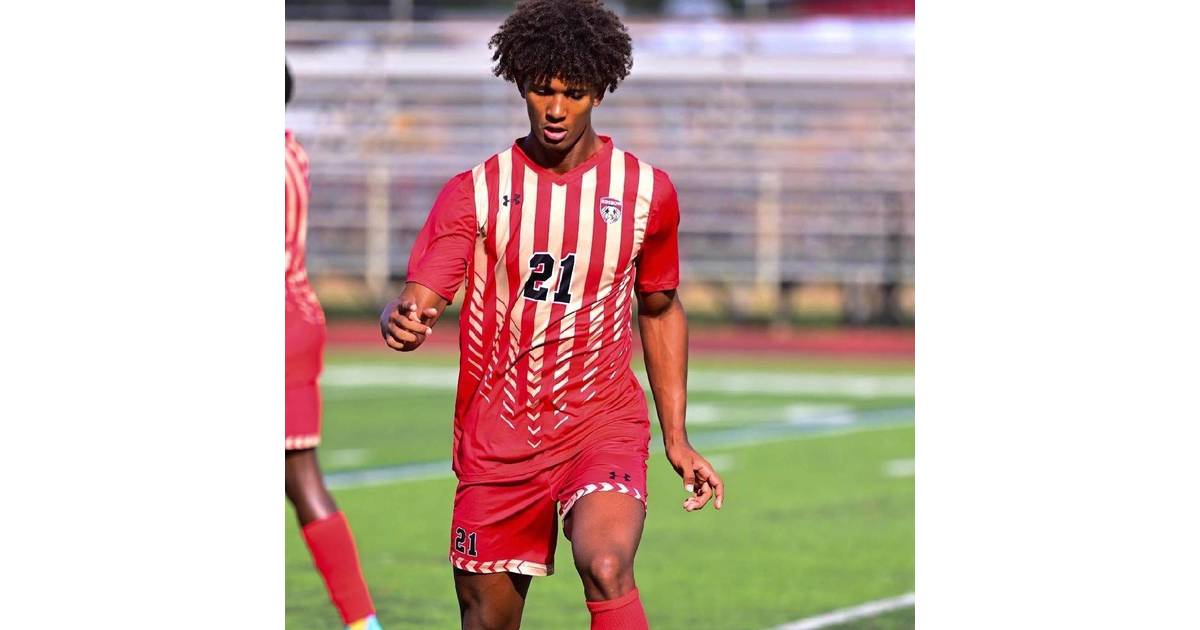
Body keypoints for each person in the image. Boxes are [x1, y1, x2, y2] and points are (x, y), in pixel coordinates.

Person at [379, 3, 724, 628]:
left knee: (607, 565)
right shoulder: (475, 192)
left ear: (600, 92)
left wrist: (675, 436)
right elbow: (420, 295)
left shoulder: (647, 193)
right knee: (488, 619)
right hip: (498, 439)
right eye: (543, 91)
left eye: (574, 93)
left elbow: (659, 307)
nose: (557, 109)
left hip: (600, 424)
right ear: (520, 85)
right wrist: (400, 320)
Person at [286, 63, 383, 630]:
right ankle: (363, 622)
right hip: (297, 314)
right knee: (302, 477)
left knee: (302, 477)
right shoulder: (292, 152)